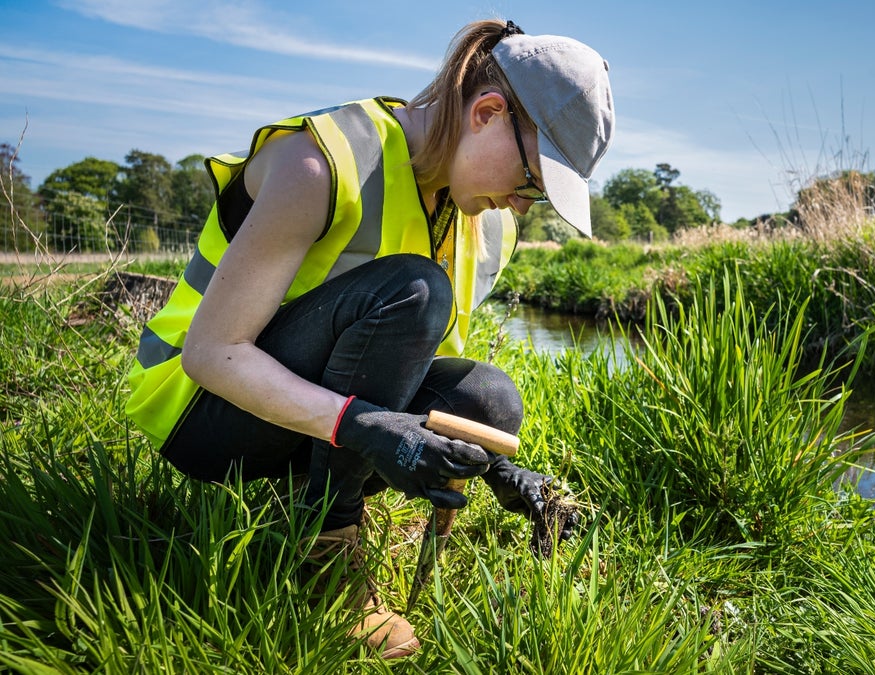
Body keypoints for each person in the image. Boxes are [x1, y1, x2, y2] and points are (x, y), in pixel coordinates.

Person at [124, 18, 614, 659]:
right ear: (487, 113)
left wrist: (494, 465)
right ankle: (330, 566)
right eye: (531, 183)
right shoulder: (321, 162)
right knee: (415, 290)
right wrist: (362, 427)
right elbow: (211, 353)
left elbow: (403, 365)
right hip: (200, 408)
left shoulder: (488, 225)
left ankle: (312, 501)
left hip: (299, 413)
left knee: (489, 402)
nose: (522, 206)